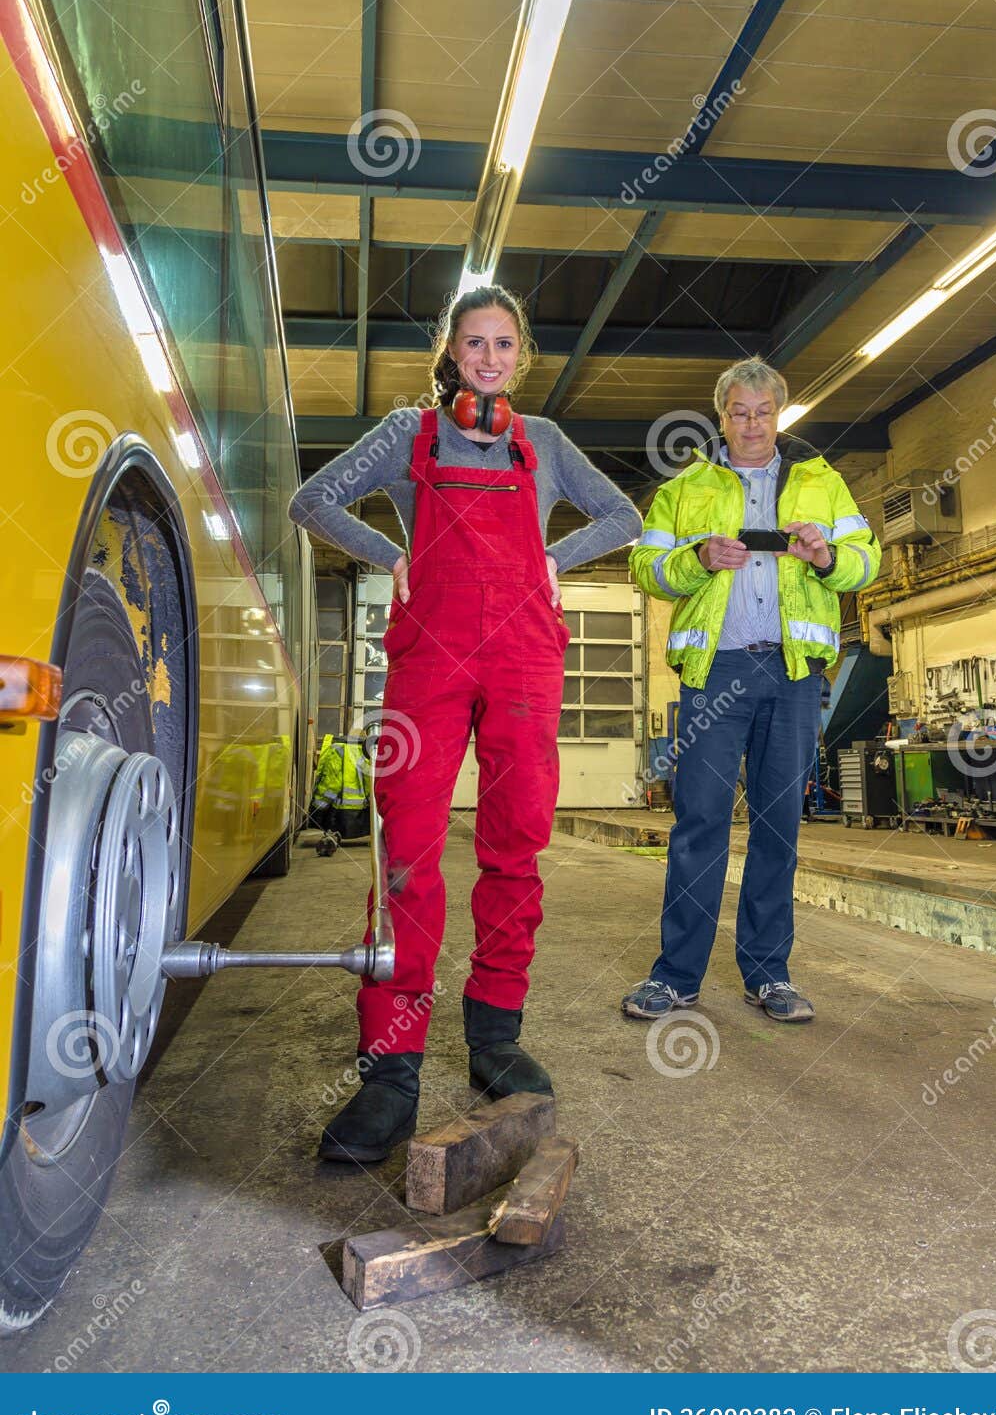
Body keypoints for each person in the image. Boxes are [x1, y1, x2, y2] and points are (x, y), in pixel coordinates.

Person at [289, 284, 641, 1161]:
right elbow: (313, 499)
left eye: (503, 343)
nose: (488, 357)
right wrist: (391, 554)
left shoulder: (546, 445)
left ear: (521, 356)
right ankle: (390, 1069)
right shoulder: (404, 436)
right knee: (405, 851)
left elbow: (624, 515)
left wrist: (552, 561)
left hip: (524, 656)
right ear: (450, 351)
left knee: (514, 842)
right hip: (430, 660)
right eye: (473, 342)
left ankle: (493, 1038)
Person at [621, 357, 881, 1026]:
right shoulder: (686, 489)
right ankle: (674, 976)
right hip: (718, 672)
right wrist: (696, 559)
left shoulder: (823, 484)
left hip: (794, 675)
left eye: (763, 412)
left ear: (779, 415)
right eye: (738, 412)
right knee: (699, 824)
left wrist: (825, 556)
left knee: (777, 829)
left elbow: (864, 559)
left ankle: (769, 974)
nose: (751, 424)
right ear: (721, 418)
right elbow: (645, 567)